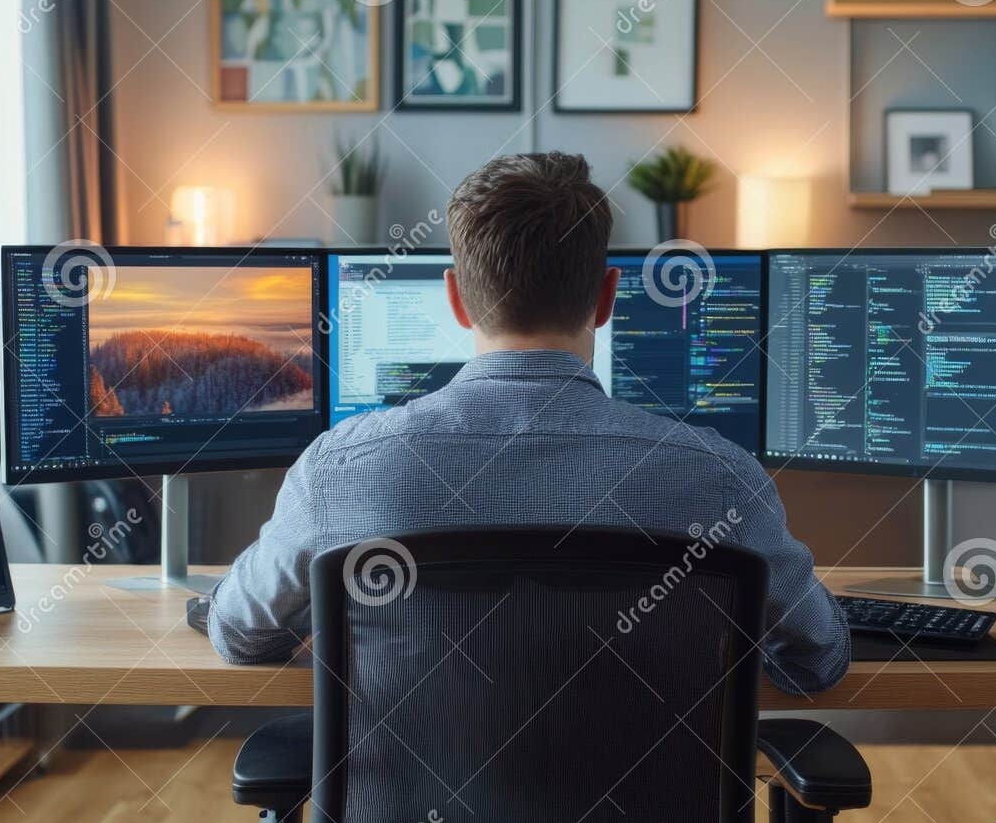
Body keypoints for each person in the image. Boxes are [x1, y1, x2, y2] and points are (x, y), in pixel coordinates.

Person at [208, 152, 849, 694]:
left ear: (456, 298)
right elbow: (818, 658)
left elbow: (242, 636)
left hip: (411, 810)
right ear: (607, 296)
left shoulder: (340, 470)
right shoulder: (719, 478)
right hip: (648, 810)